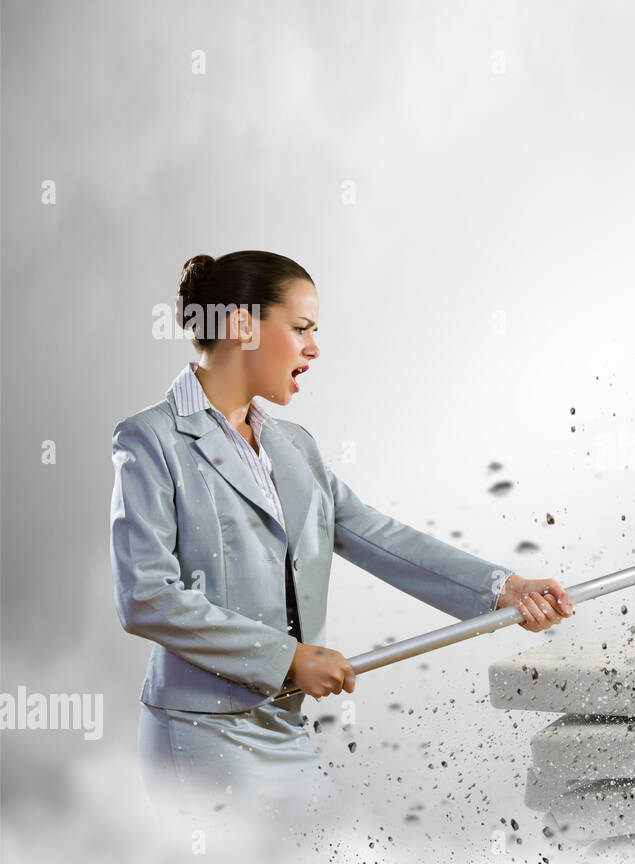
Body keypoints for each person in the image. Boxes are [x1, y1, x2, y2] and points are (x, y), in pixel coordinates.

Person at [110, 249, 573, 822]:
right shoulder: (150, 441)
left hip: (283, 729)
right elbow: (146, 597)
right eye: (301, 328)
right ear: (240, 325)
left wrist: (501, 588)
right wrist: (286, 658)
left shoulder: (294, 445)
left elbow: (377, 536)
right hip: (198, 733)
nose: (313, 348)